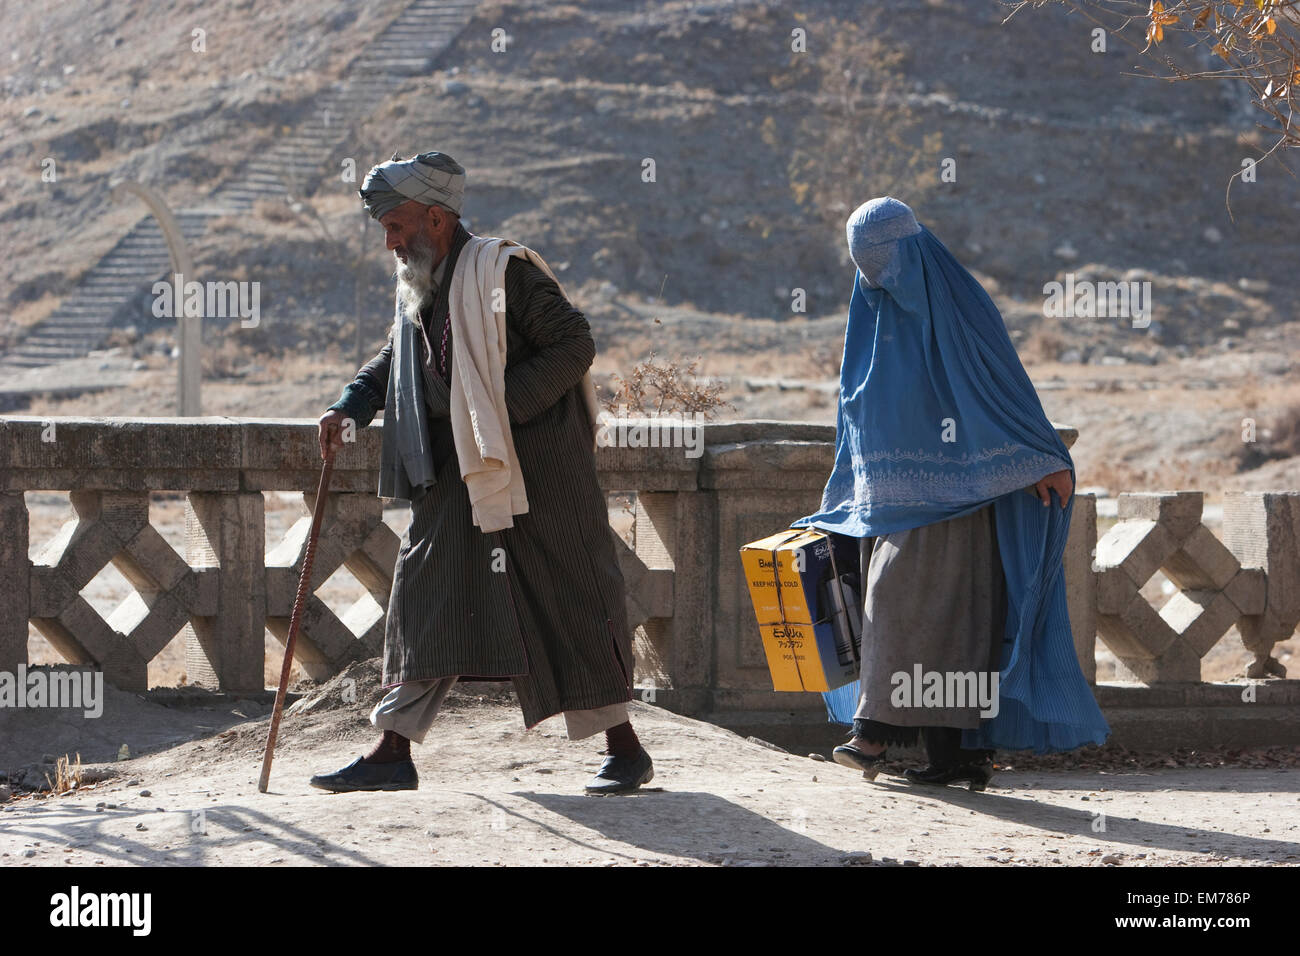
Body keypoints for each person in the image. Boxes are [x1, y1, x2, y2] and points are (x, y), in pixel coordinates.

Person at [308, 150, 653, 795]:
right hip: (457, 476)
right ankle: (391, 751)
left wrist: (493, 412)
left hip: (540, 477)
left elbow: (574, 344)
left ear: (436, 218)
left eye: (398, 225)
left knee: (567, 604)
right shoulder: (423, 284)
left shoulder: (504, 272)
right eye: (383, 227)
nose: (389, 240)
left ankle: (626, 749)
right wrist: (347, 406)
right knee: (423, 592)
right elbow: (395, 358)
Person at [794, 197, 1110, 790]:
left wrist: (1039, 455)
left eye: (884, 259)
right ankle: (955, 757)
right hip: (890, 502)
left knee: (912, 609)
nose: (875, 274)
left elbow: (1001, 386)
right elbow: (857, 410)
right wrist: (849, 491)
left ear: (911, 251)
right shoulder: (874, 310)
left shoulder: (961, 307)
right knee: (942, 627)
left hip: (963, 499)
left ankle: (874, 734)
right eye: (863, 263)